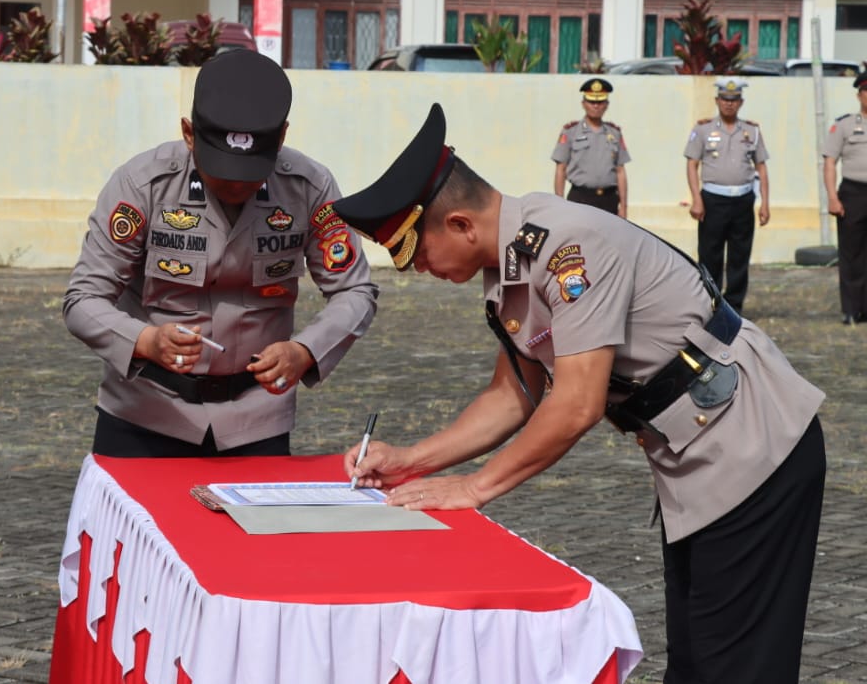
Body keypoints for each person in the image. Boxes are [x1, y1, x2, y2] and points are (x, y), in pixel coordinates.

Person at [331, 103, 824, 684]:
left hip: (754, 449)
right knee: (698, 660)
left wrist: (474, 486)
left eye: (415, 252)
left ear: (461, 224)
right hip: (699, 459)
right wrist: (410, 462)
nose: (415, 270)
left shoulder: (570, 246)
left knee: (736, 664)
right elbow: (512, 395)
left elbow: (577, 403)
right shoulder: (512, 266)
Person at [63, 49, 379, 458]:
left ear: (281, 137)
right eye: (220, 168)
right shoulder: (143, 185)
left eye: (250, 173)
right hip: (144, 415)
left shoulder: (308, 187)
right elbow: (82, 300)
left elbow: (355, 291)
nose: (235, 185)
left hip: (257, 422)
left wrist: (305, 351)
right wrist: (145, 340)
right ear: (189, 133)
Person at [684, 77, 769, 313]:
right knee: (710, 254)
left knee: (739, 255)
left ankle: (734, 306)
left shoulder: (752, 131)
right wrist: (696, 199)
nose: (729, 104)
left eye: (734, 99)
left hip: (743, 199)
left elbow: (761, 166)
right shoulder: (703, 130)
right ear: (717, 101)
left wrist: (765, 203)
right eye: (724, 99)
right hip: (713, 199)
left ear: (740, 102)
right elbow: (692, 164)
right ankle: (711, 305)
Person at [824, 72, 867, 325]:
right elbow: (830, 162)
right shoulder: (844, 125)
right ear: (859, 95)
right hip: (852, 193)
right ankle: (851, 309)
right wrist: (832, 197)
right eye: (866, 91)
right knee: (851, 254)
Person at [551, 77, 630, 217]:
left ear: (607, 104)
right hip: (580, 198)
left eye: (600, 102)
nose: (596, 106)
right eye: (592, 101)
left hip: (609, 199)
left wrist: (623, 207)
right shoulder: (571, 132)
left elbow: (620, 171)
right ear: (583, 103)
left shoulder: (614, 133)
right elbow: (560, 169)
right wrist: (559, 203)